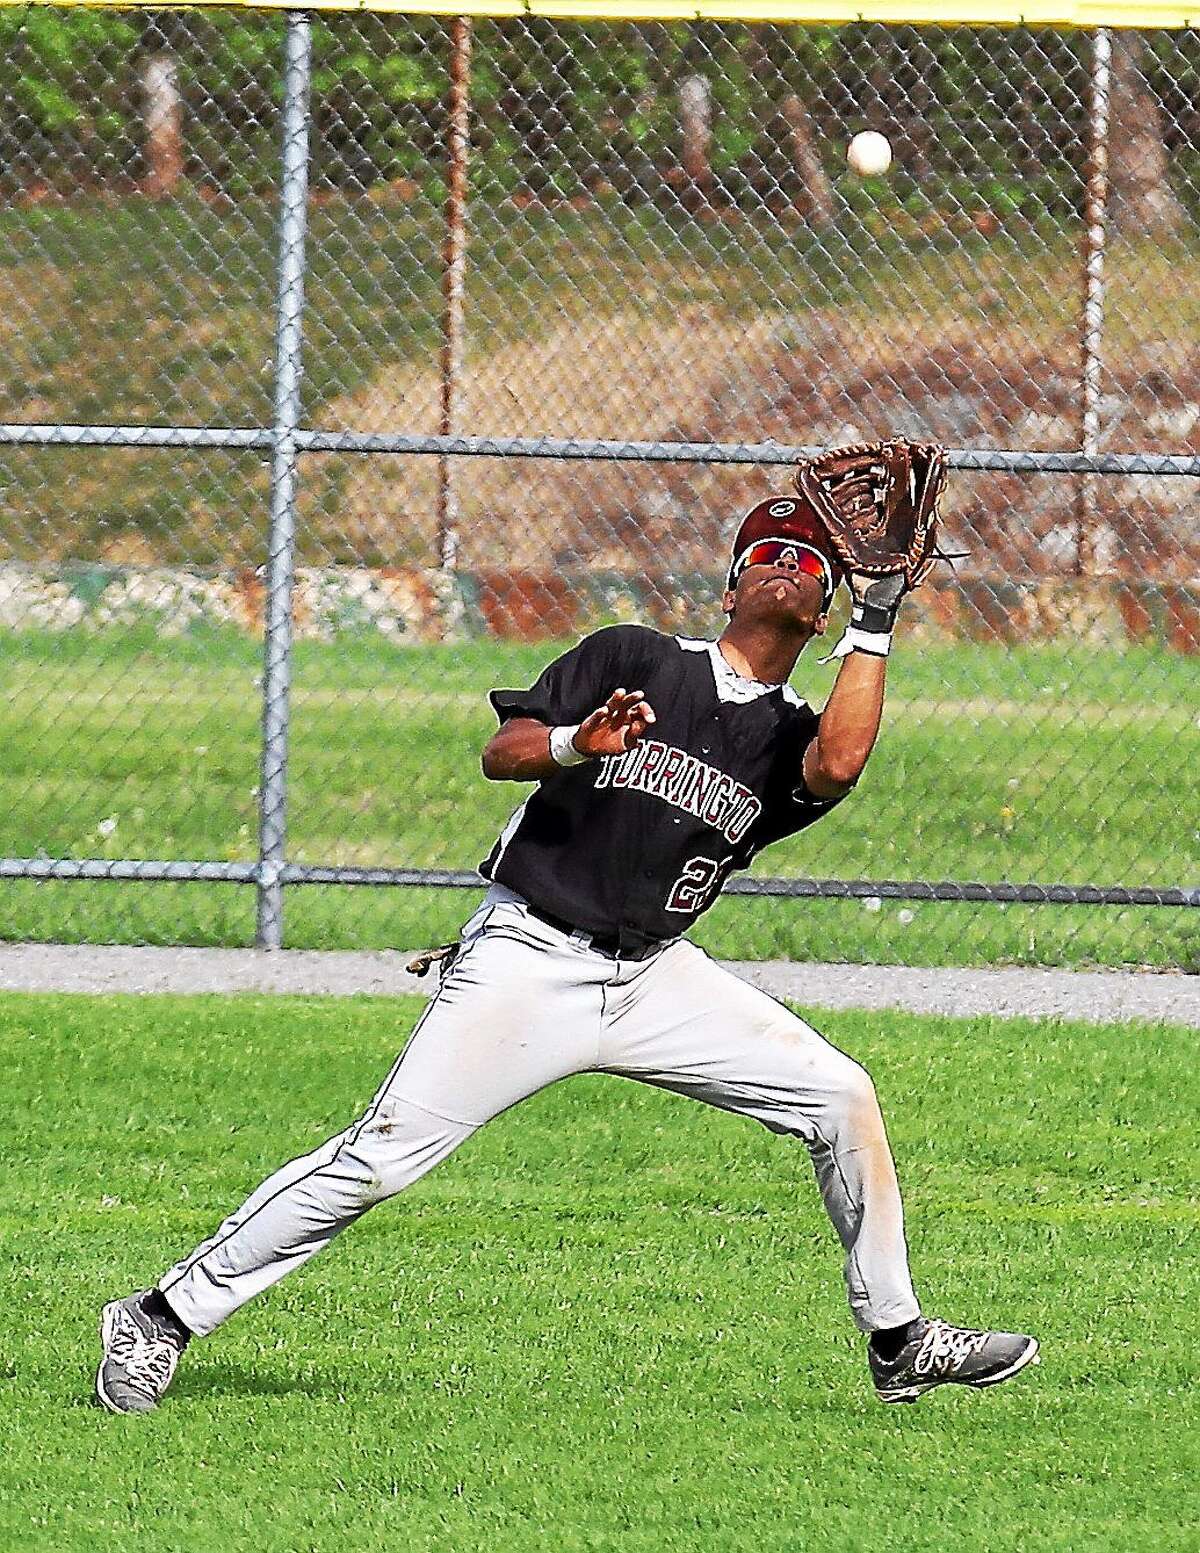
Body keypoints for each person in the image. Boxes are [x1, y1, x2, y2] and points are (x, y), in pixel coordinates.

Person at [96, 492, 1038, 1414]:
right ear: (730, 588)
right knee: (379, 1157)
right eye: (770, 553)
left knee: (841, 1094)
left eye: (811, 563)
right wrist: (573, 743)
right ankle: (159, 1314)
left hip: (656, 977)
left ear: (823, 606)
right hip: (529, 955)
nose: (790, 565)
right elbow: (502, 751)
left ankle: (898, 1339)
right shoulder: (636, 657)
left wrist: (876, 616)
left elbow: (837, 767)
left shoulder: (790, 733)